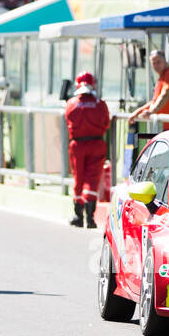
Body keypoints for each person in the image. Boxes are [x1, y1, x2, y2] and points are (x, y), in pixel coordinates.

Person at [64, 71, 111, 228]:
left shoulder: (71, 103)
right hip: (97, 145)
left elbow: (68, 121)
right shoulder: (100, 104)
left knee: (78, 179)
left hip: (77, 145)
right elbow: (106, 123)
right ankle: (90, 218)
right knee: (92, 180)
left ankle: (78, 216)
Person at [128, 50, 169, 130]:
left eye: (158, 62)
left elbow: (165, 95)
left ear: (165, 61)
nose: (156, 65)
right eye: (154, 63)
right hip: (163, 125)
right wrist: (137, 112)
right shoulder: (161, 78)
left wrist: (151, 111)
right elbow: (154, 101)